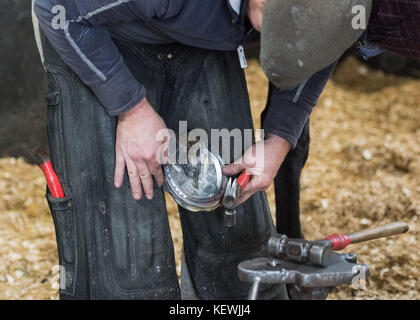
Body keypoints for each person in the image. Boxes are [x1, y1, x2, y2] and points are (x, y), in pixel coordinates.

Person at [32, 0, 337, 299]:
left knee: (242, 256)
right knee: (124, 257)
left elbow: (313, 45)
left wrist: (279, 138)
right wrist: (131, 110)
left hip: (201, 37)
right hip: (98, 34)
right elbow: (55, 8)